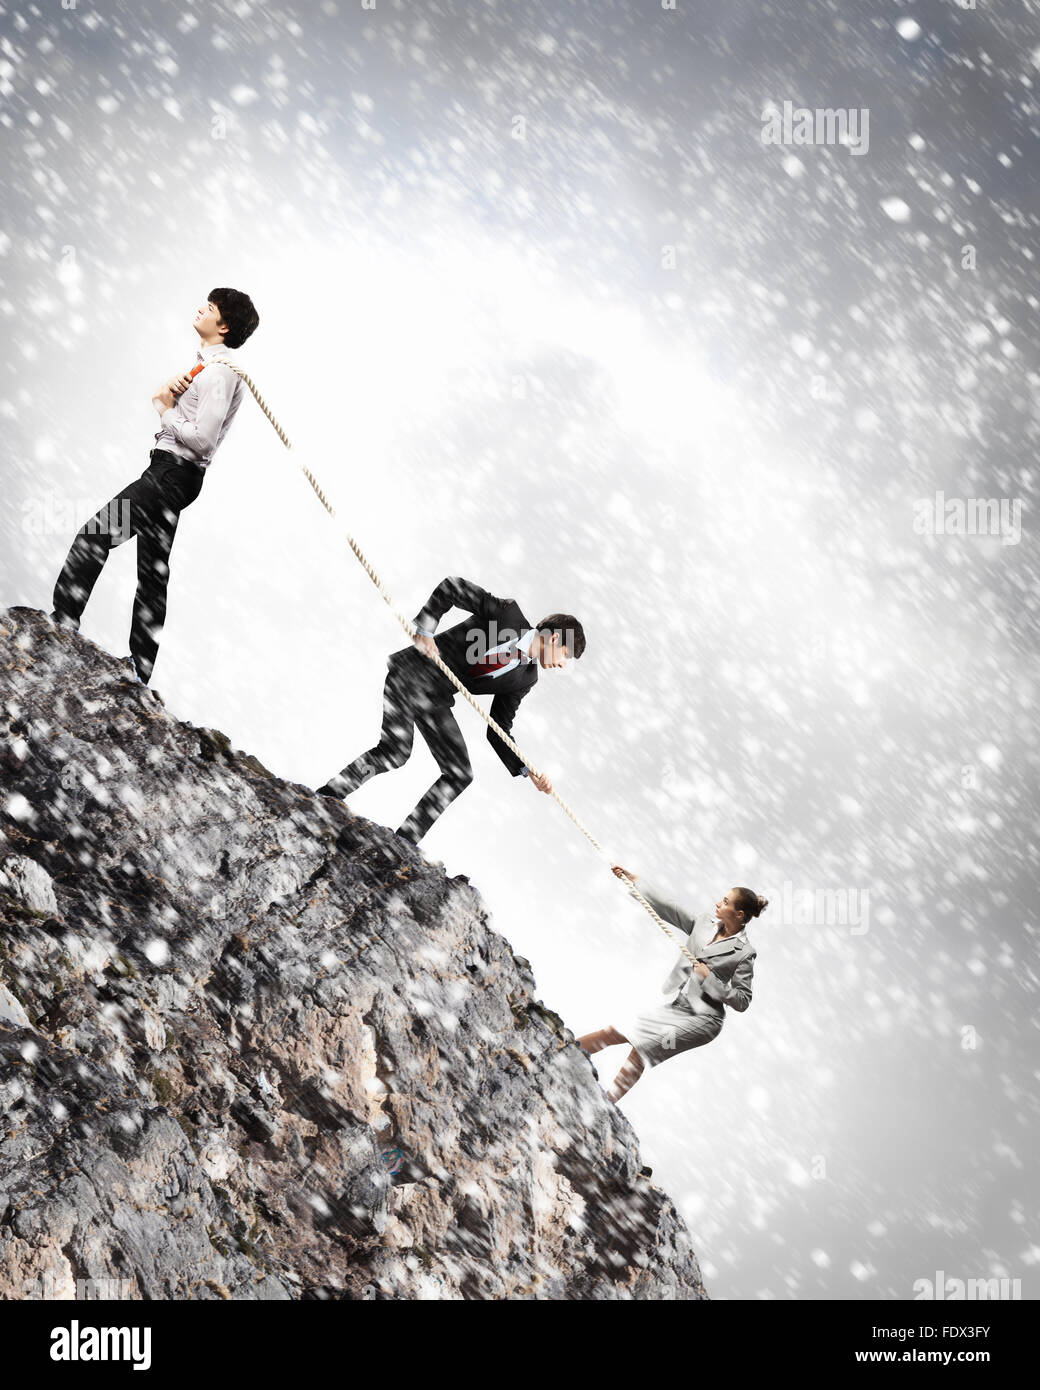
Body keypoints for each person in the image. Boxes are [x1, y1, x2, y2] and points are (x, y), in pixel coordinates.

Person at [50, 289, 260, 685]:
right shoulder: (212, 368)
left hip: (170, 474)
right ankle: (140, 671)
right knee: (153, 573)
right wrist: (173, 400)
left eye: (210, 308)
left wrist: (164, 408)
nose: (201, 308)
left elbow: (203, 440)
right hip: (172, 475)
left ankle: (62, 623)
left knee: (94, 535)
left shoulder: (219, 372)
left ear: (224, 325)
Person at [317, 575, 586, 843]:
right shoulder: (507, 614)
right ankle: (326, 798)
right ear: (554, 640)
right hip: (412, 674)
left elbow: (499, 729)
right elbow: (452, 587)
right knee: (396, 752)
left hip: (436, 698)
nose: (563, 665)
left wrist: (528, 771)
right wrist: (425, 630)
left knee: (460, 774)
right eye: (566, 656)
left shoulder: (527, 677)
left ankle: (402, 844)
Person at [578, 866, 766, 1103]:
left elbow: (742, 1000)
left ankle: (604, 1104)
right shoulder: (704, 923)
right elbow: (670, 908)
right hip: (678, 1006)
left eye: (726, 901)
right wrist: (637, 881)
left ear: (739, 914)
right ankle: (564, 1049)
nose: (718, 903)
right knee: (617, 1031)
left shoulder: (745, 953)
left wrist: (710, 978)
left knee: (644, 1048)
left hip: (703, 1021)